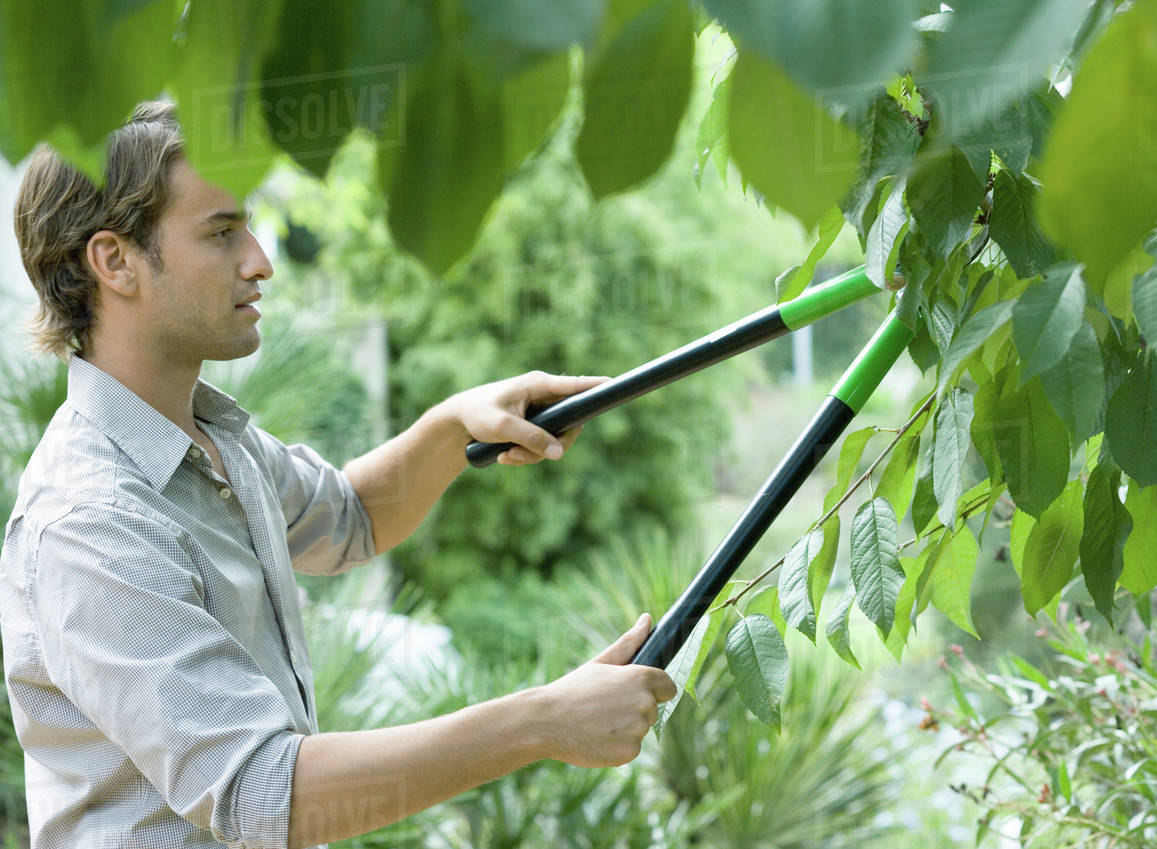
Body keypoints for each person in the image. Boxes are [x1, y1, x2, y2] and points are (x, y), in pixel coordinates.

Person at [0, 100, 676, 849]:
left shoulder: (211, 437)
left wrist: (455, 424)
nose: (260, 260)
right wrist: (541, 722)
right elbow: (263, 794)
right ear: (115, 261)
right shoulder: (92, 521)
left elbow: (350, 518)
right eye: (222, 233)